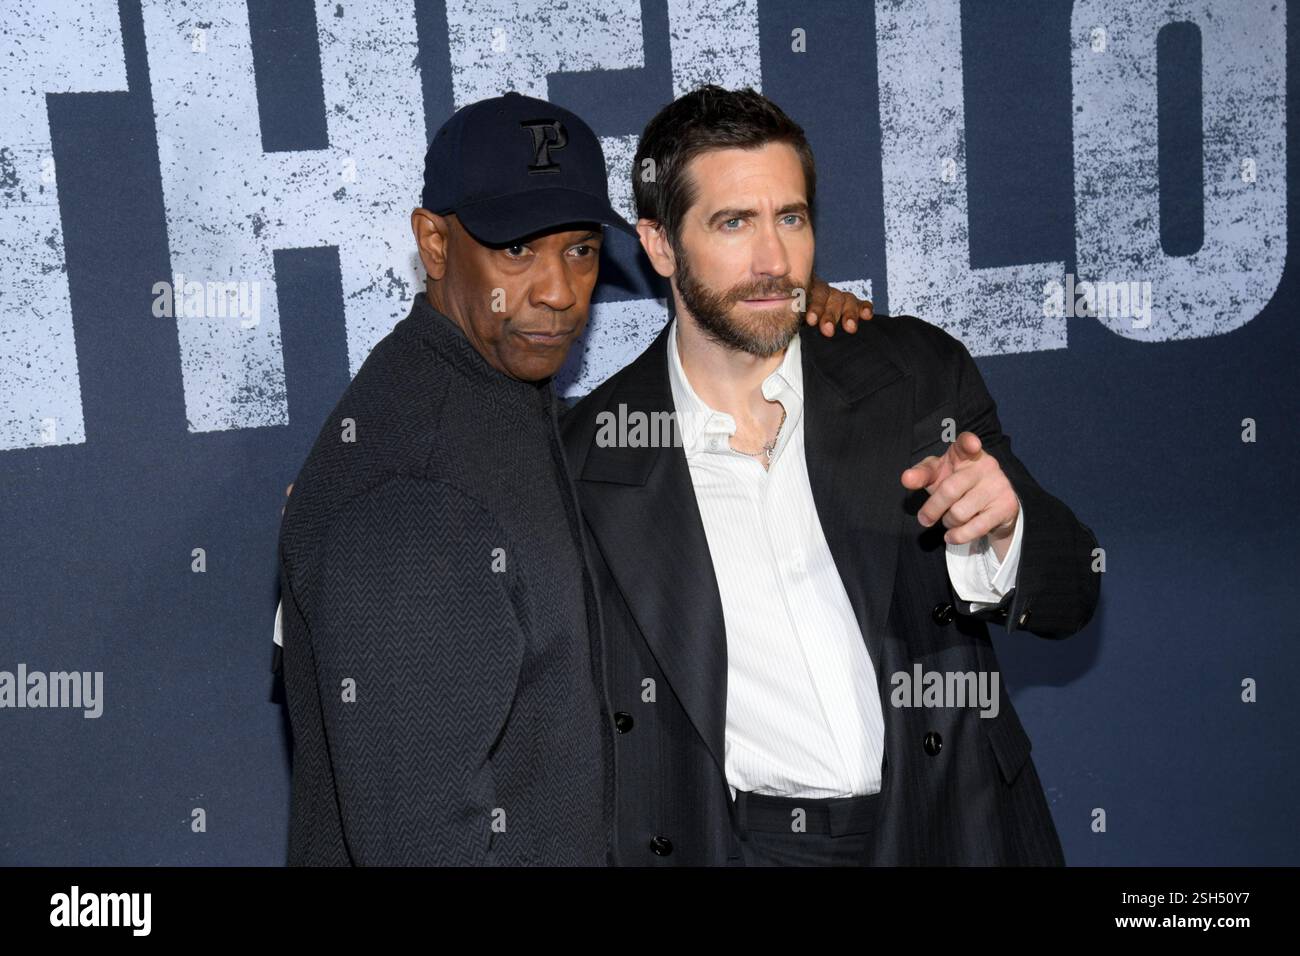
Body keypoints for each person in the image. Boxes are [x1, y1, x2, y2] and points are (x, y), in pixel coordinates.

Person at [274, 90, 872, 865]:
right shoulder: (417, 493)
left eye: (580, 249)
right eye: (516, 250)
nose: (558, 291)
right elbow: (419, 844)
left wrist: (784, 317)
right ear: (433, 243)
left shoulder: (507, 406)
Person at [560, 86, 1101, 866]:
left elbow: (1075, 590)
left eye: (791, 217)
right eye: (733, 223)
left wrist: (1009, 529)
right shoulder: (589, 460)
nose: (775, 261)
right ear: (660, 245)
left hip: (956, 824)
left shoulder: (912, 374)